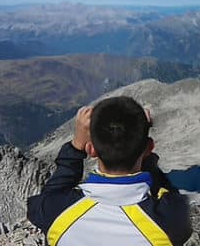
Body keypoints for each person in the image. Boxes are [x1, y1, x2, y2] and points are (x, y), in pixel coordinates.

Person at [26, 96, 191, 245]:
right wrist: (144, 152)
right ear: (149, 148)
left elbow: (50, 195)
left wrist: (76, 147)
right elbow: (173, 199)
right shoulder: (171, 219)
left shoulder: (55, 212)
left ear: (91, 150)